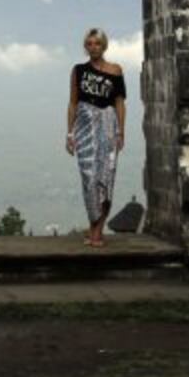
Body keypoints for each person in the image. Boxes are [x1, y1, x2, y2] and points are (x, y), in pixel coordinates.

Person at [65, 27, 128, 248]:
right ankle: (93, 225)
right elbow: (73, 102)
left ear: (104, 46)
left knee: (106, 178)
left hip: (108, 125)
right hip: (84, 125)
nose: (93, 47)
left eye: (97, 43)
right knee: (88, 178)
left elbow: (119, 102)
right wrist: (70, 133)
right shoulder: (79, 70)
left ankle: (97, 232)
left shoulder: (115, 70)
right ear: (86, 46)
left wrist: (121, 131)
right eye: (90, 44)